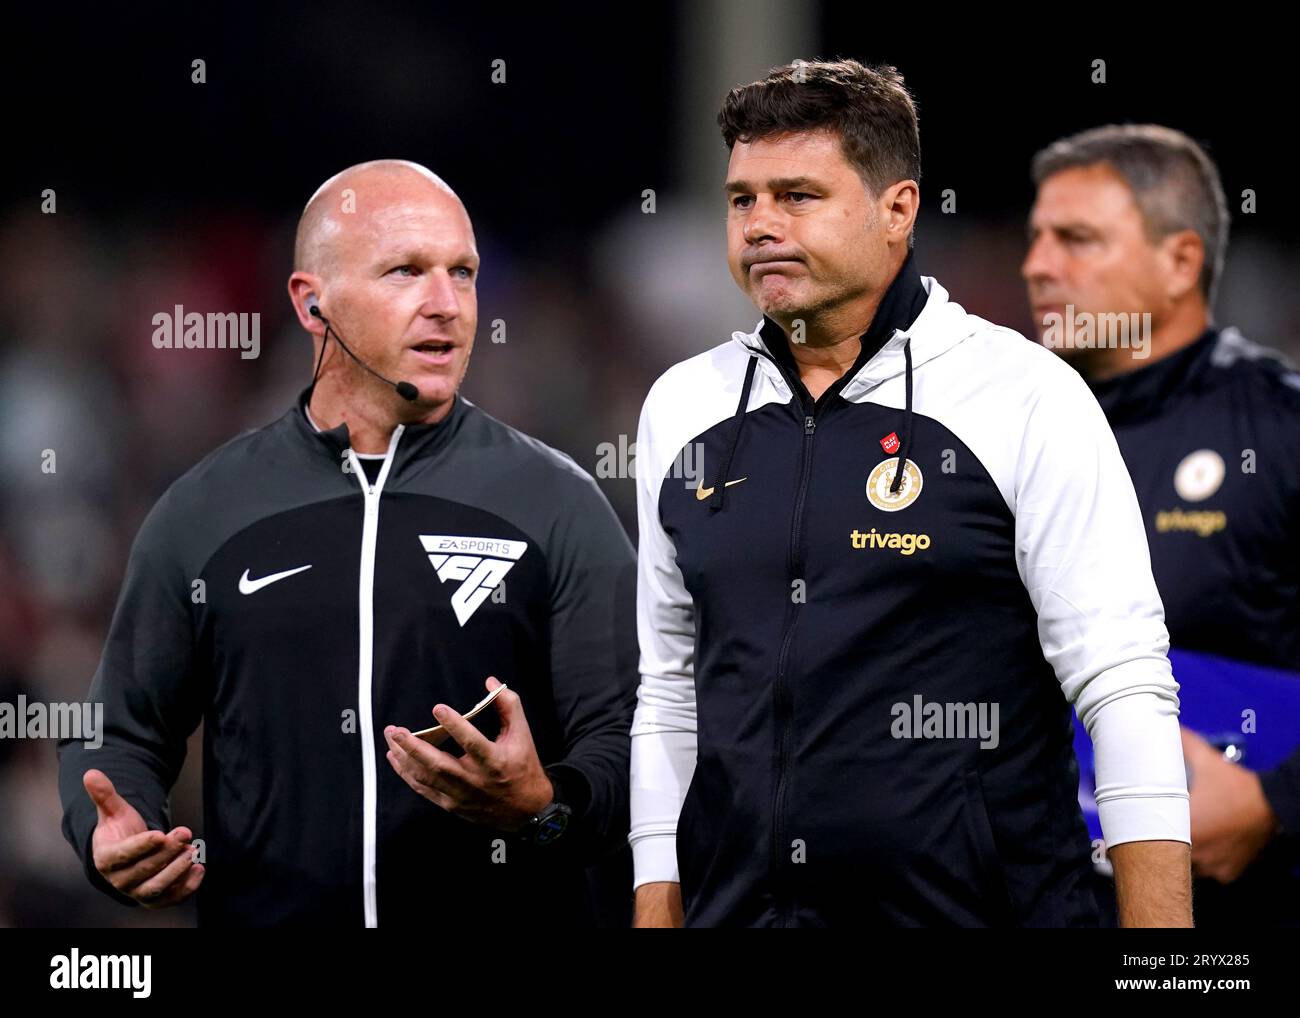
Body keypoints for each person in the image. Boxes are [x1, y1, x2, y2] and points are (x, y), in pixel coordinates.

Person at [629, 59, 1191, 928]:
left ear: (898, 209)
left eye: (798, 195)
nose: (761, 226)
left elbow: (1122, 683)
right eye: (744, 200)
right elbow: (669, 691)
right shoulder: (683, 405)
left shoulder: (1023, 396)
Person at [57, 159, 638, 927]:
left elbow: (637, 745)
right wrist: (110, 828)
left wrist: (543, 805)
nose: (447, 306)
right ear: (312, 303)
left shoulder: (558, 502)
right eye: (405, 272)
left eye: (462, 274)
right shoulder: (206, 510)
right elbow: (118, 730)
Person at [1024, 124, 1300, 926]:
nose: (1038, 265)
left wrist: (1274, 803)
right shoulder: (1008, 433)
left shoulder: (1279, 430)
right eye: (1037, 238)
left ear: (1181, 261)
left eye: (1076, 240)